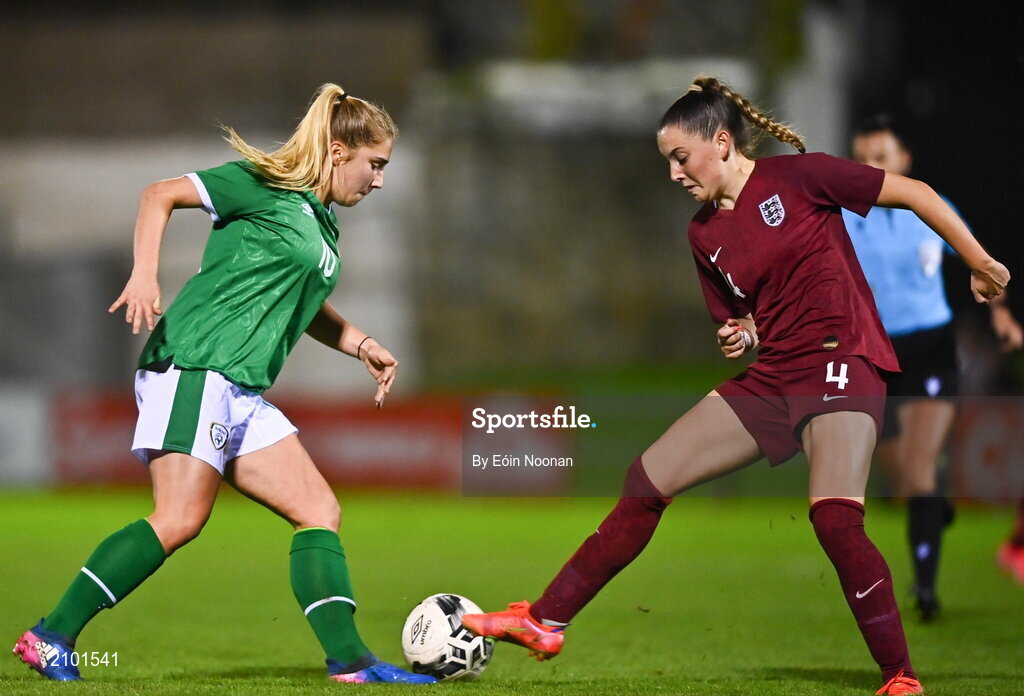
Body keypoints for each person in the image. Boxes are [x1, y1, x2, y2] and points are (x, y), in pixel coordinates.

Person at [462, 76, 1009, 696]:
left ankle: (901, 678)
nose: (674, 175)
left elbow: (913, 192)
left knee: (834, 518)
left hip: (842, 360)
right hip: (775, 375)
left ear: (721, 142)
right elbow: (741, 316)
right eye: (667, 162)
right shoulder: (703, 235)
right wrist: (740, 334)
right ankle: (545, 619)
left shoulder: (800, 178)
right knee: (647, 480)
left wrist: (980, 262)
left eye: (680, 158)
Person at [12, 83, 435, 685]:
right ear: (339, 152)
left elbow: (302, 303)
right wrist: (144, 274)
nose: (380, 179)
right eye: (377, 164)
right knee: (180, 517)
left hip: (241, 389)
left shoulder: (322, 226)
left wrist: (361, 343)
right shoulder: (264, 185)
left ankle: (352, 663)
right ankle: (50, 635)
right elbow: (159, 194)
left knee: (318, 509)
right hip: (196, 366)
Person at [841, 114, 1024, 621]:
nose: (869, 168)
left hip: (931, 347)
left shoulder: (931, 208)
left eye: (880, 157)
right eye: (861, 158)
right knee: (906, 483)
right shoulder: (842, 218)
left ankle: (925, 590)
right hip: (874, 355)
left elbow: (982, 265)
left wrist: (1001, 313)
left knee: (922, 471)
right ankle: (933, 504)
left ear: (904, 162)